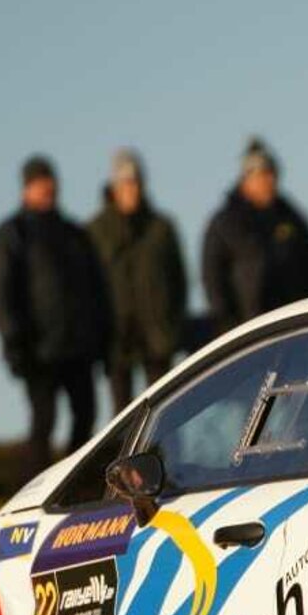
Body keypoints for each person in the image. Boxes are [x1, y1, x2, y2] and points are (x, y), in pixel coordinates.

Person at [0, 155, 111, 472]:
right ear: (27, 188)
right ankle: (35, 488)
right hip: (36, 348)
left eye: (50, 181)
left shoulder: (74, 234)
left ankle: (77, 483)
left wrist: (101, 337)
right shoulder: (13, 234)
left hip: (77, 346)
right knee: (44, 419)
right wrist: (13, 339)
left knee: (86, 414)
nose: (47, 188)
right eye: (40, 182)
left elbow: (97, 290)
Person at [87, 148, 187, 415]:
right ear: (114, 187)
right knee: (122, 414)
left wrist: (172, 323)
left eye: (136, 182)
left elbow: (179, 280)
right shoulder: (96, 231)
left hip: (157, 334)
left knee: (163, 411)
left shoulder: (161, 227)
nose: (132, 189)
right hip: (116, 337)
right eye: (126, 182)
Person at [201, 136, 308, 335]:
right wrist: (229, 328)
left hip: (294, 330)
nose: (270, 181)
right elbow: (213, 279)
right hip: (247, 331)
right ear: (246, 179)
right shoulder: (225, 223)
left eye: (272, 174)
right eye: (263, 175)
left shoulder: (293, 220)